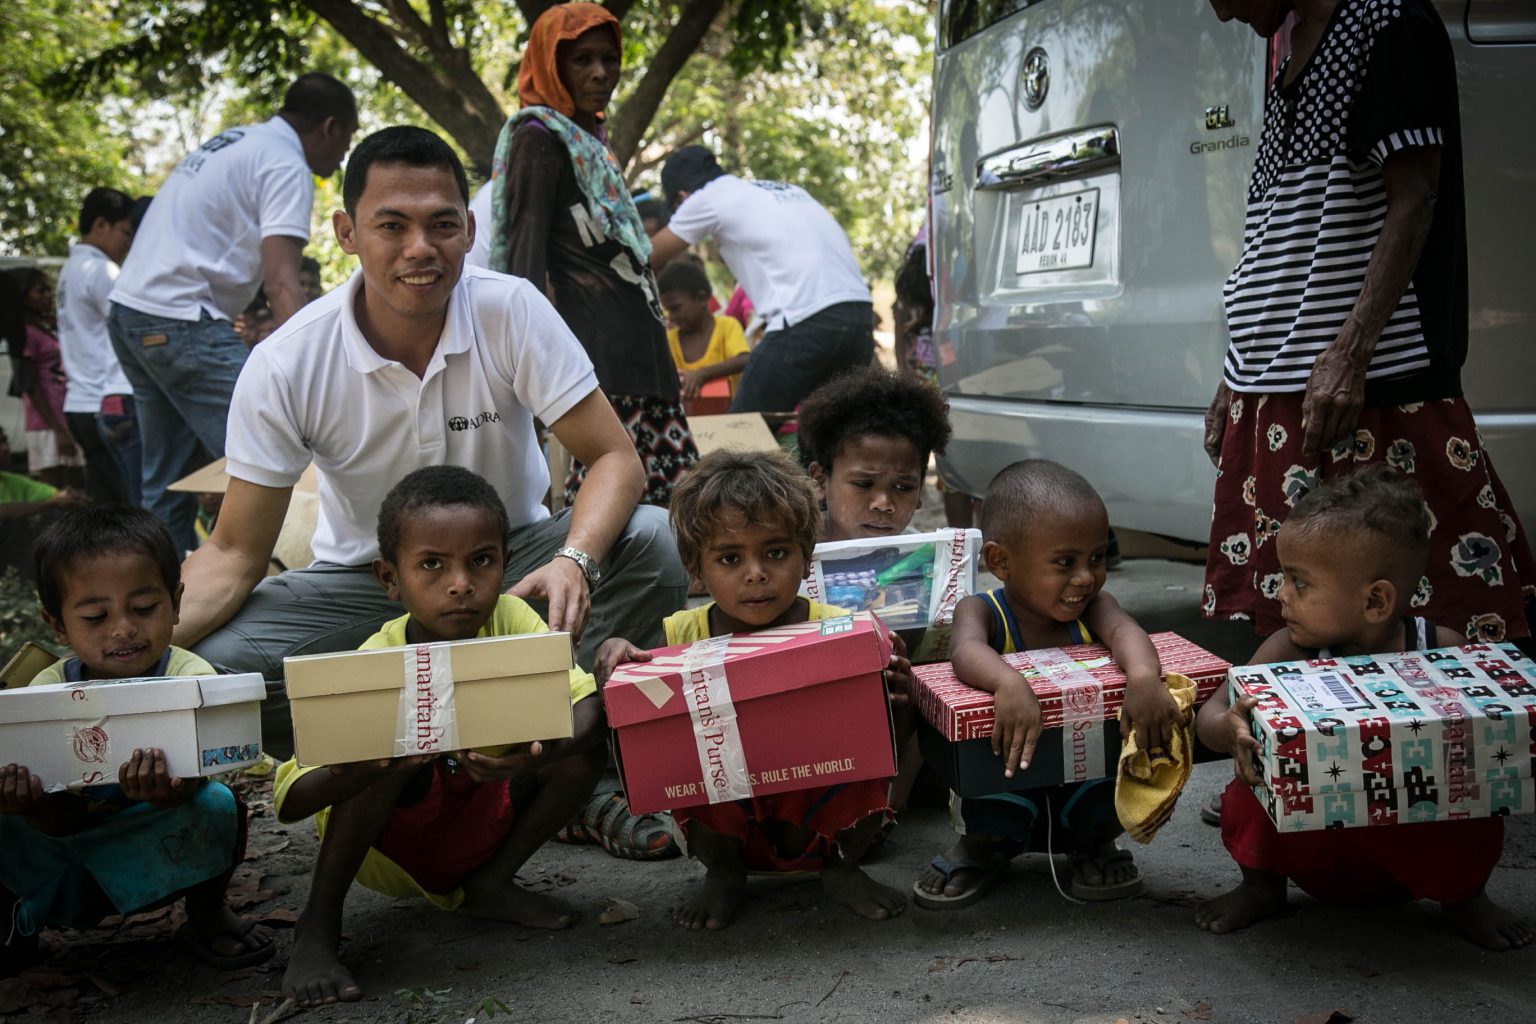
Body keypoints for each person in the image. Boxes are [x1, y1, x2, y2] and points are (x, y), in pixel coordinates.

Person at [180, 126, 686, 760]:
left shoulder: (511, 310)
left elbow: (615, 459)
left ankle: (574, 758)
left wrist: (573, 561)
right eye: (391, 226)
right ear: (346, 233)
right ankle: (419, 750)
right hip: (368, 586)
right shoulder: (286, 362)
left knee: (651, 540)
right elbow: (233, 551)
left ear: (469, 231)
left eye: (442, 225)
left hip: (509, 570)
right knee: (217, 666)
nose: (420, 248)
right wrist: (119, 659)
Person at [1202, 0, 1533, 647]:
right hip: (1279, 391)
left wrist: (1350, 353)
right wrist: (1237, 372)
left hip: (1369, 395)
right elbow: (1281, 236)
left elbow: (1415, 198)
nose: (1219, 11)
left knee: (1431, 629)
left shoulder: (1386, 22)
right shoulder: (1292, 49)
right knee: (1300, 634)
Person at [273, 466, 606, 1006]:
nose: (460, 583)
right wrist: (358, 771)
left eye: (481, 561)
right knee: (382, 754)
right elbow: (291, 801)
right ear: (389, 578)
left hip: (480, 815)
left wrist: (535, 755)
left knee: (578, 750)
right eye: (432, 564)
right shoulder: (378, 659)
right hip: (392, 848)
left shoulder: (512, 620)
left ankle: (491, 884)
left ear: (505, 562)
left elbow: (589, 708)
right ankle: (318, 923)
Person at [1194, 465, 1533, 950]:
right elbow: (1212, 711)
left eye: (1299, 582)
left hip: (1414, 845)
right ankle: (1261, 889)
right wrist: (1228, 729)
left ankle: (1465, 900)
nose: (1281, 594)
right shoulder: (1287, 650)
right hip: (1314, 844)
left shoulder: (1441, 651)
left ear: (1376, 601)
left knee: (1473, 790)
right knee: (1247, 791)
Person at [596, 449, 912, 930]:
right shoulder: (682, 635)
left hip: (820, 810)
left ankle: (843, 870)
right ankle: (723, 875)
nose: (756, 573)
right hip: (727, 820)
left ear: (807, 556)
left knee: (870, 751)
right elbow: (645, 715)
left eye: (776, 553)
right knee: (689, 765)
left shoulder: (840, 632)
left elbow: (888, 744)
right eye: (730, 558)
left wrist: (898, 694)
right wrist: (618, 657)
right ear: (694, 567)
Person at [0, 507, 273, 972]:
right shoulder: (43, 693)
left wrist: (172, 793)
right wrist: (32, 804)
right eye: (95, 616)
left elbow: (195, 783)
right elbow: (60, 819)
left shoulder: (191, 678)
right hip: (65, 838)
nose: (123, 628)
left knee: (217, 804)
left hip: (156, 833)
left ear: (176, 601)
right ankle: (15, 925)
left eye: (145, 608)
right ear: (57, 624)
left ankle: (207, 912)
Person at [914, 460, 1182, 908]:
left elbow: (1127, 632)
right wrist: (1007, 681)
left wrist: (1142, 677)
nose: (1086, 577)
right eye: (1065, 562)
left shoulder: (1095, 608)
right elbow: (965, 651)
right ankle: (980, 848)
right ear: (1001, 562)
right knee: (986, 794)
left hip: (1082, 761)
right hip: (1009, 762)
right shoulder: (982, 611)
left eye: (1097, 558)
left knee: (1115, 782)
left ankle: (1094, 845)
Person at [108, 72, 357, 553]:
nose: (343, 155)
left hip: (132, 315)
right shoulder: (286, 164)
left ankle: (165, 587)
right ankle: (321, 573)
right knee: (280, 444)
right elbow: (281, 281)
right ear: (329, 127)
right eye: (347, 139)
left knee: (165, 480)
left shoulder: (237, 141)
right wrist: (315, 368)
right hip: (181, 319)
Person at [490, 3, 697, 507]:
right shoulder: (538, 140)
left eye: (609, 58)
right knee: (606, 507)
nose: (601, 72)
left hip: (642, 353)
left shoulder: (591, 144)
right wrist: (525, 362)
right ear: (550, 66)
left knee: (677, 509)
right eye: (582, 60)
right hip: (598, 360)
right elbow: (523, 264)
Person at [651, 145, 875, 413]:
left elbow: (646, 258)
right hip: (859, 316)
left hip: (804, 320)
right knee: (834, 426)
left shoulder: (706, 198)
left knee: (744, 429)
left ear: (682, 197)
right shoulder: (780, 191)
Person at [796, 365, 952, 543]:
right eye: (863, 484)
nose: (883, 504)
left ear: (919, 490)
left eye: (903, 487)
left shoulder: (922, 555)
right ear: (820, 481)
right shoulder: (797, 553)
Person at [55, 187, 139, 505]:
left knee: (108, 508)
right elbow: (131, 331)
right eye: (125, 232)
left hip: (79, 404)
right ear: (101, 224)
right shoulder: (103, 271)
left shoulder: (69, 271)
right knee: (132, 507)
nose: (127, 243)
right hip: (105, 400)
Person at [9, 269, 84, 490]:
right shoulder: (24, 333)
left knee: (77, 485)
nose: (47, 296)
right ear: (24, 297)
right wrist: (58, 431)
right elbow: (29, 385)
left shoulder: (45, 326)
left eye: (49, 290)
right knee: (57, 490)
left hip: (64, 415)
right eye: (40, 291)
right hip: (47, 423)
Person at [658, 258, 749, 400]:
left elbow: (744, 359)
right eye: (668, 310)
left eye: (676, 308)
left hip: (729, 411)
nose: (672, 316)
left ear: (701, 298)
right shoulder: (671, 339)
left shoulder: (727, 326)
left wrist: (701, 374)